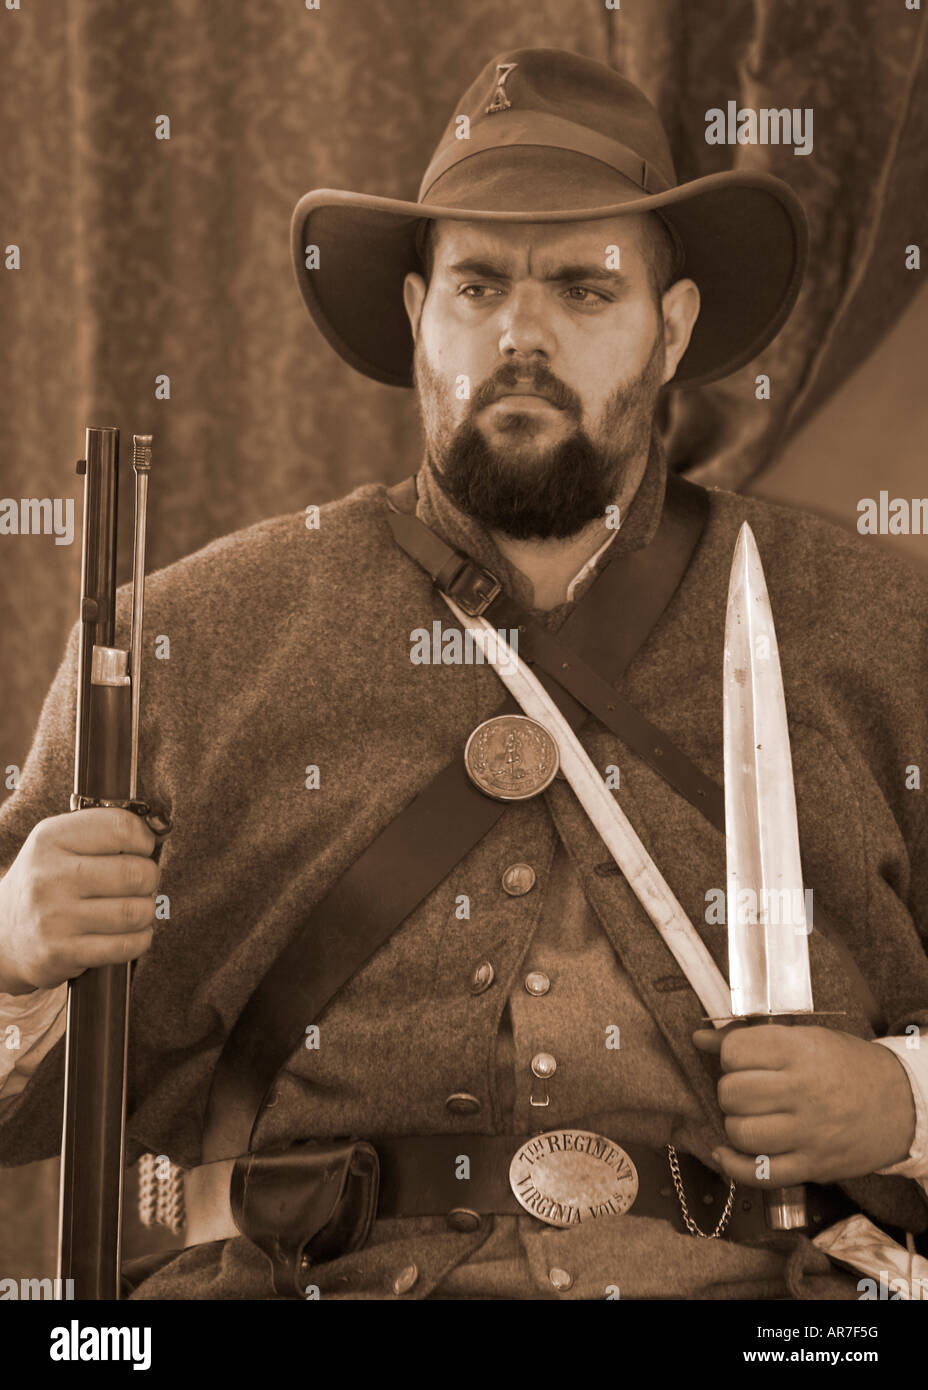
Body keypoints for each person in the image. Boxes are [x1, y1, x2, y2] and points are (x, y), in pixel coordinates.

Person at [0, 47, 926, 1302]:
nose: (519, 336)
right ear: (415, 317)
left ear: (674, 329)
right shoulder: (183, 637)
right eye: (478, 285)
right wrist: (12, 957)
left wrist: (900, 1102)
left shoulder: (873, 622)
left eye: (584, 290)